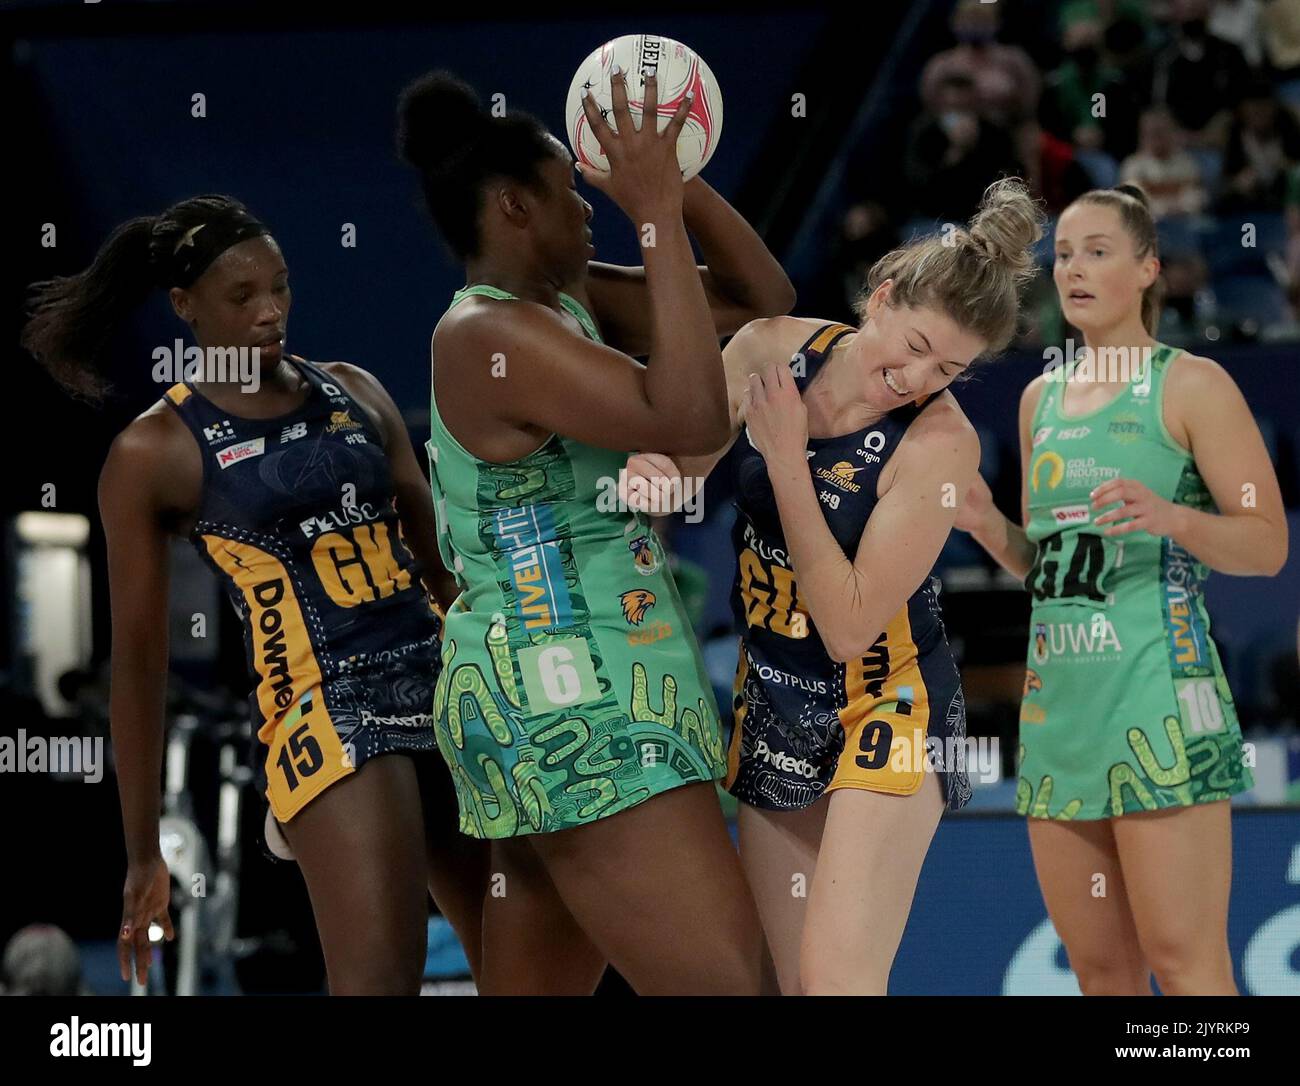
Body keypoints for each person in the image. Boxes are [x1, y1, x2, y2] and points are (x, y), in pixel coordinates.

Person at [21, 195, 488, 994]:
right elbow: (138, 666)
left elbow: (445, 565)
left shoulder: (356, 391)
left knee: (529, 969)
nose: (271, 312)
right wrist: (142, 856)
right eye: (242, 297)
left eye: (280, 287)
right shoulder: (155, 450)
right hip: (324, 705)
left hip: (442, 678)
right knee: (383, 981)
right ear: (184, 308)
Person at [397, 68, 796, 994]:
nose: (591, 212)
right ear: (513, 208)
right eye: (573, 195)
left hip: (570, 687)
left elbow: (760, 299)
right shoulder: (483, 340)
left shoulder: (567, 304)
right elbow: (692, 416)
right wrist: (653, 213)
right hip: (575, 701)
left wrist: (675, 178)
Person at [624, 178, 1044, 994]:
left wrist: (786, 461)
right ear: (879, 297)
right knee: (788, 983)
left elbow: (851, 625)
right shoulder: (769, 349)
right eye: (915, 345)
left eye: (949, 368)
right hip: (774, 692)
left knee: (836, 985)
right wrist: (656, 476)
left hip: (887, 700)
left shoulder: (940, 445)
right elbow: (688, 472)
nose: (919, 378)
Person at [956, 183, 1288, 995]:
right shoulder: (1040, 400)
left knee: (1185, 965)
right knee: (1102, 973)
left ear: (1149, 270)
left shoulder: (1193, 386)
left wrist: (1173, 517)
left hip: (1159, 701)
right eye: (1063, 253)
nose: (1072, 269)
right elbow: (1051, 568)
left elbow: (1267, 546)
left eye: (1097, 251)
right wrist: (986, 525)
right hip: (1061, 713)